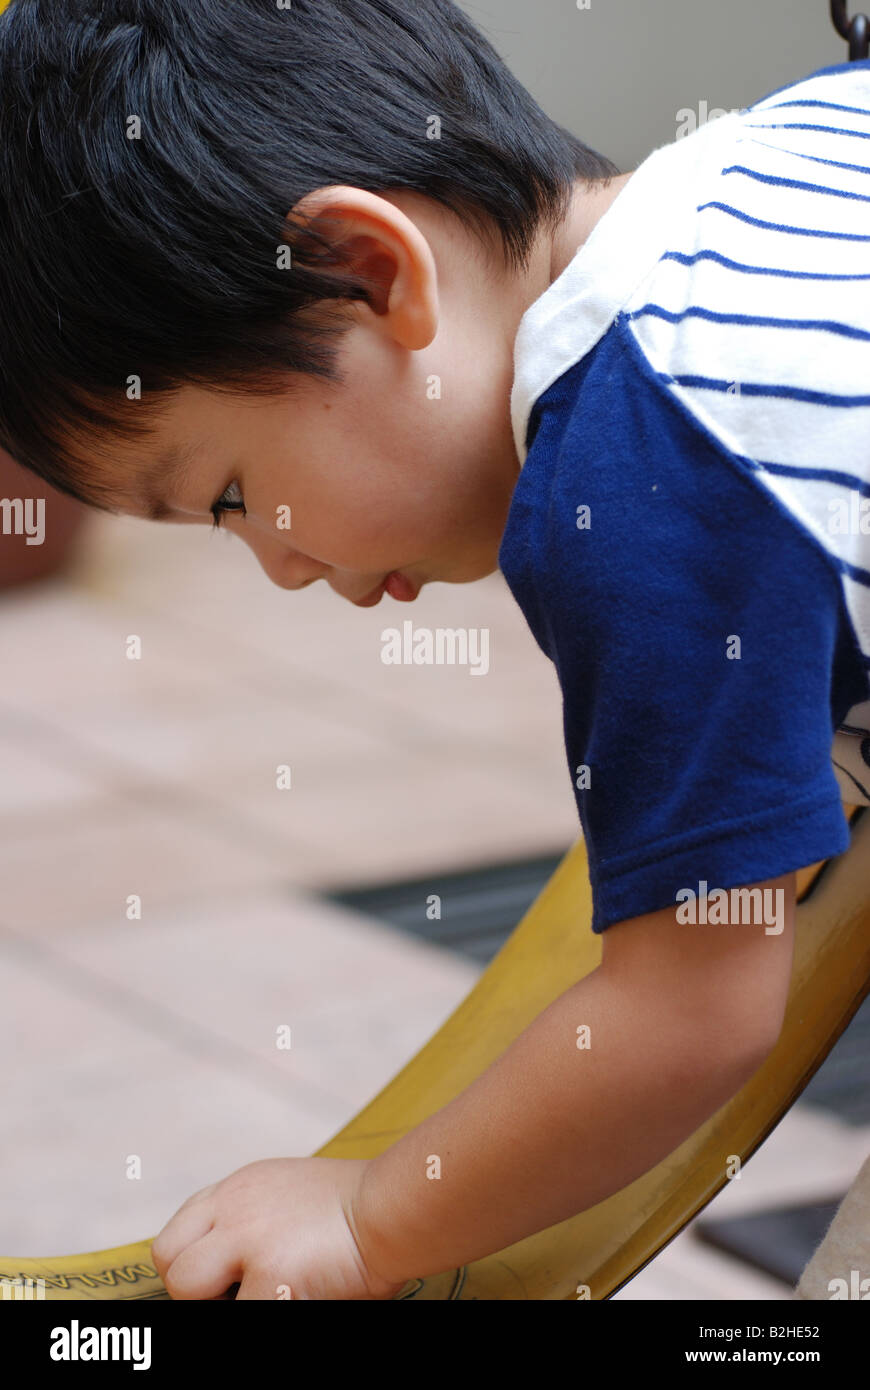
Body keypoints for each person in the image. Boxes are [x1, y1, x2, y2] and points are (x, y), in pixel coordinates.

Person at [0, 0, 867, 1301]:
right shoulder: (777, 153)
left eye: (227, 497)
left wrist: (369, 1217)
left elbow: (692, 1007)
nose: (282, 565)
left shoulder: (641, 470)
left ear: (366, 271)